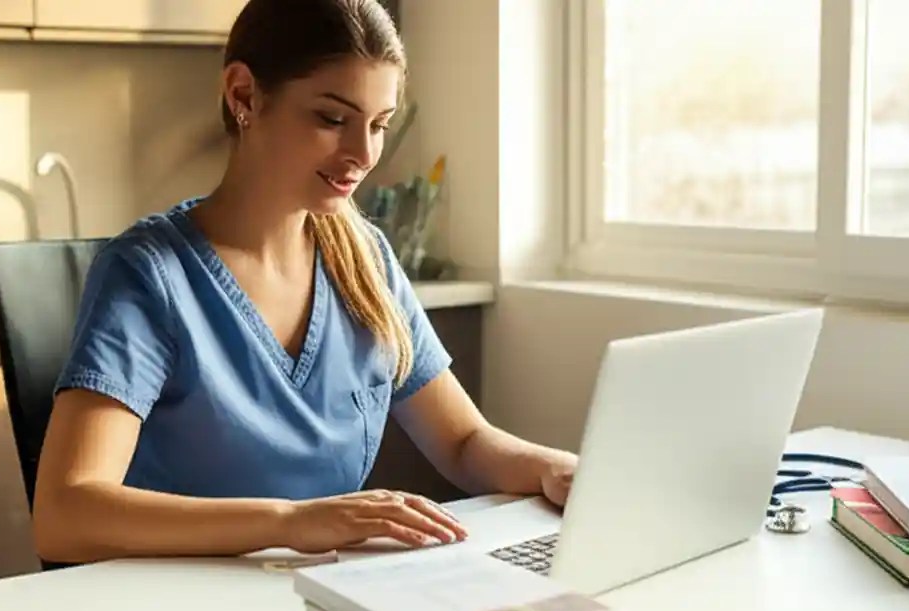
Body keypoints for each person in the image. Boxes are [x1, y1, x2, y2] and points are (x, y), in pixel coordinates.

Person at [31, 0, 578, 564]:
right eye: (332, 119)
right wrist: (288, 522)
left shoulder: (364, 260)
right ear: (243, 95)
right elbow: (66, 515)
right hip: (167, 604)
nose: (363, 154)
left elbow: (464, 443)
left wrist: (556, 470)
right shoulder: (149, 274)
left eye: (380, 125)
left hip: (313, 595)